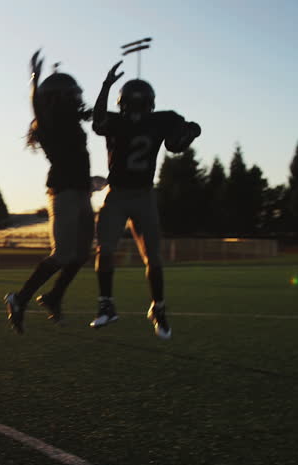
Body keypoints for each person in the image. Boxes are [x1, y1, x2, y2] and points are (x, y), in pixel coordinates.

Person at [89, 64, 201, 339]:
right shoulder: (161, 119)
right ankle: (135, 307)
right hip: (127, 194)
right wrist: (191, 132)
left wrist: (105, 85)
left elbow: (98, 121)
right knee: (134, 254)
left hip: (132, 195)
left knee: (136, 254)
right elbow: (177, 144)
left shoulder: (120, 121)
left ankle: (134, 306)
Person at [3, 50, 101, 334]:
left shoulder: (69, 121)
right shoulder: (49, 123)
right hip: (63, 193)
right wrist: (35, 79)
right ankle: (19, 298)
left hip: (81, 192)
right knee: (62, 254)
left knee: (82, 253)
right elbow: (37, 105)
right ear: (58, 98)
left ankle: (53, 296)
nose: (77, 98)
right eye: (71, 94)